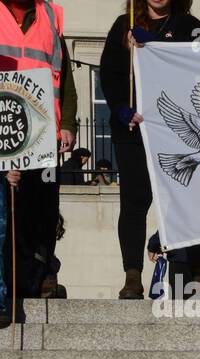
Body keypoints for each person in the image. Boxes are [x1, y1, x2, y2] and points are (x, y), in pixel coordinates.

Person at [101, 0, 200, 300]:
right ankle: (132, 275)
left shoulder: (190, 25)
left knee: (188, 200)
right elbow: (109, 74)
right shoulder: (123, 27)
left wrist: (156, 43)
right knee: (134, 201)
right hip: (135, 129)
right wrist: (122, 108)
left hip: (178, 129)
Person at [0, 0, 77, 325]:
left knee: (43, 208)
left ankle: (44, 273)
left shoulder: (49, 16)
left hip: (44, 130)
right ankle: (15, 280)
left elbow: (66, 78)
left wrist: (68, 124)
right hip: (7, 127)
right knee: (9, 209)